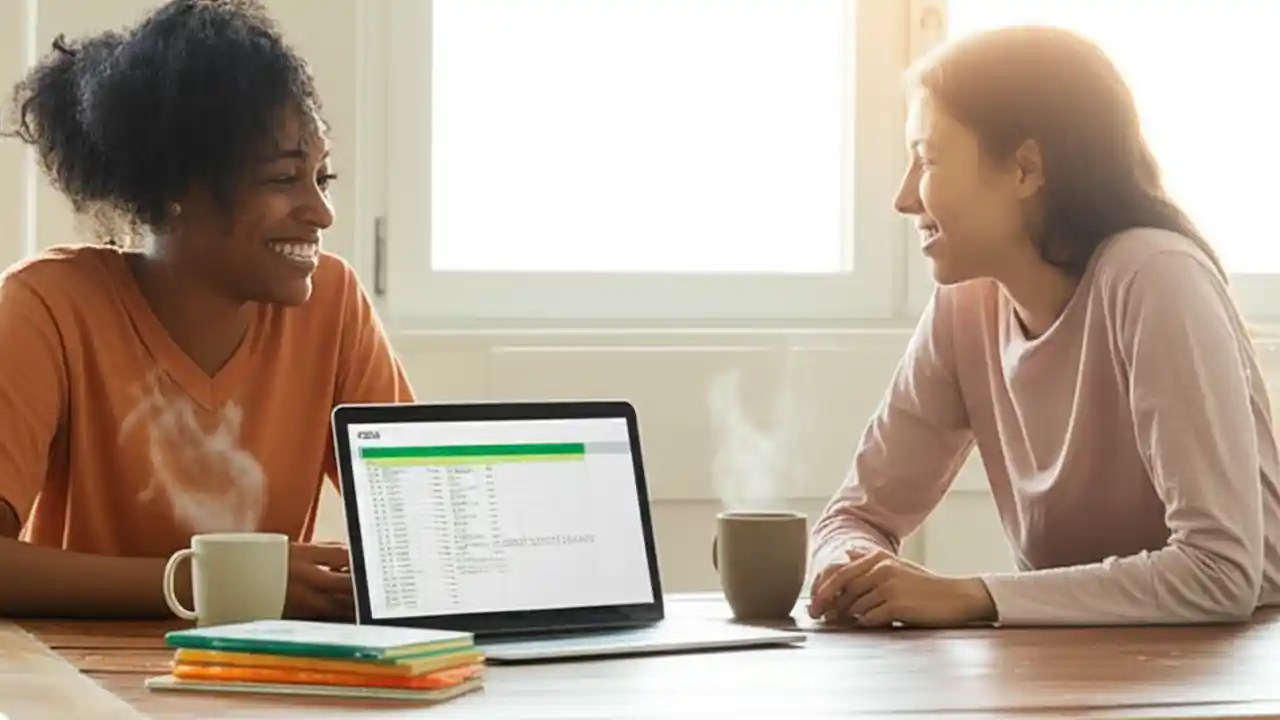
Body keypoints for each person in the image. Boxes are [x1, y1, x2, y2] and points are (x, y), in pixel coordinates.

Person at [807, 26, 1280, 628]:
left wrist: (971, 595)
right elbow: (854, 516)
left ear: (1026, 168)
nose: (904, 198)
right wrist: (851, 571)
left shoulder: (1155, 277)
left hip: (1240, 669)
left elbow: (1220, 574)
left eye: (926, 159)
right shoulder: (966, 304)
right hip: (1072, 661)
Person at [0, 0, 412, 618]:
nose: (322, 213)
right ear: (176, 193)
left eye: (322, 179)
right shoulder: (46, 308)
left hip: (272, 685)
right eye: (283, 179)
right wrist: (210, 583)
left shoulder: (334, 303)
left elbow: (425, 525)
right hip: (85, 689)